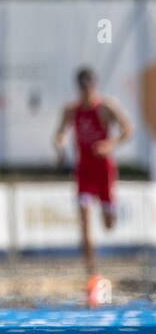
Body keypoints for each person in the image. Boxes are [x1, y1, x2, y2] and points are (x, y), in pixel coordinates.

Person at [53, 67, 133, 305]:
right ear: (78, 88)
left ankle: (111, 212)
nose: (87, 91)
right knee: (85, 221)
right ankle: (93, 276)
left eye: (90, 87)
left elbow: (128, 129)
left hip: (104, 170)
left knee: (108, 225)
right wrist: (59, 145)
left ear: (94, 86)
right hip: (84, 171)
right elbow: (59, 135)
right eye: (83, 87)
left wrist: (111, 144)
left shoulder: (106, 107)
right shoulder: (70, 111)